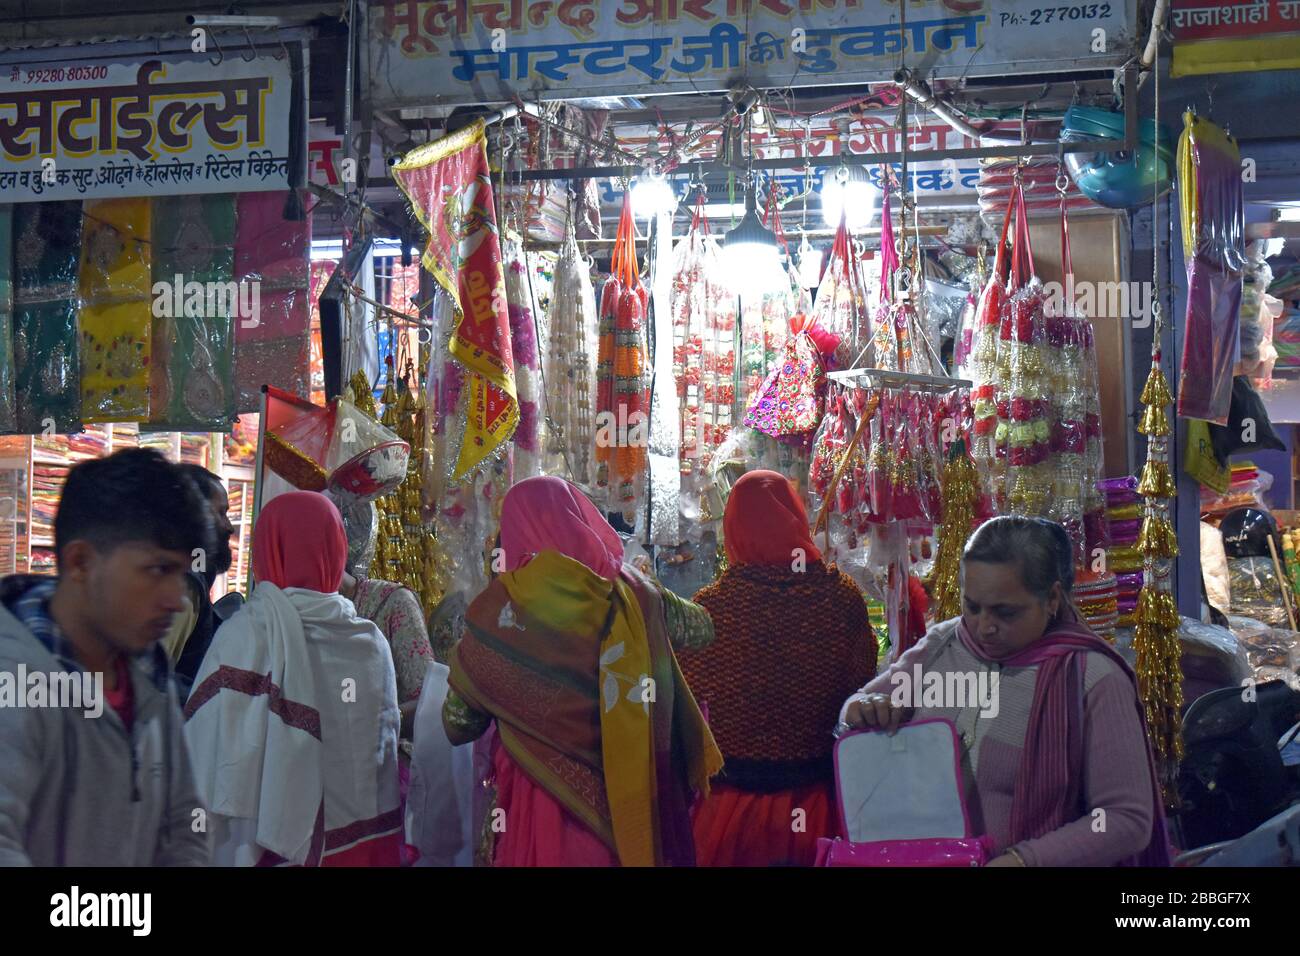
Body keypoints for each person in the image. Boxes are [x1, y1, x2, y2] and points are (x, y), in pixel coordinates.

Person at [839, 515, 1171, 867]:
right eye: (973, 606)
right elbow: (856, 706)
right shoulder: (944, 645)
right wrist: (863, 708)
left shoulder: (1093, 680)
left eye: (1005, 612)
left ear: (1052, 599)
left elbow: (1125, 820)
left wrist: (1025, 861)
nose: (984, 627)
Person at [442, 475, 723, 866]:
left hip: (537, 819)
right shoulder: (636, 595)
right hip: (630, 817)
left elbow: (457, 725)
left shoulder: (499, 618)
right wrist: (649, 599)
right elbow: (702, 628)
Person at [0, 448, 213, 865]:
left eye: (180, 573)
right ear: (80, 562)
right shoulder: (16, 682)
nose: (175, 599)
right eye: (157, 570)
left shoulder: (147, 675)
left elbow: (186, 824)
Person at [184, 491, 401, 866]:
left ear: (268, 550)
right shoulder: (368, 643)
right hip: (361, 850)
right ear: (336, 549)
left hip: (267, 851)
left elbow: (205, 754)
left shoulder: (247, 635)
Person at [679, 470, 877, 866]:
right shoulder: (841, 601)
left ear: (733, 527)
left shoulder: (711, 609)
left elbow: (688, 704)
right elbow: (861, 688)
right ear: (797, 519)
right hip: (817, 805)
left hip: (729, 812)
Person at [161, 464, 236, 699]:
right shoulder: (183, 586)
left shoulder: (181, 574)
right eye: (221, 513)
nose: (229, 527)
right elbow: (147, 680)